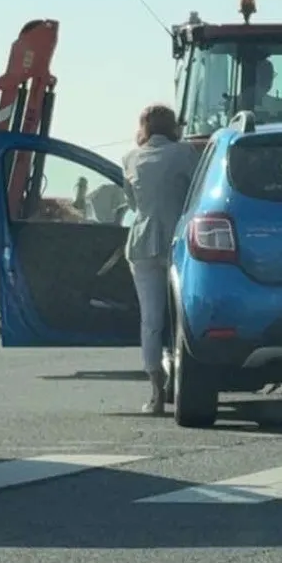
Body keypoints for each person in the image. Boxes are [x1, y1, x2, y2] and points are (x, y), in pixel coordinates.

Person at [122, 104, 200, 414]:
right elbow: (196, 194)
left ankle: (155, 392)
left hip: (141, 244)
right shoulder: (184, 153)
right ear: (172, 126)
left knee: (151, 320)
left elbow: (132, 202)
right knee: (182, 315)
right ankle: (181, 381)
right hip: (179, 243)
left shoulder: (130, 158)